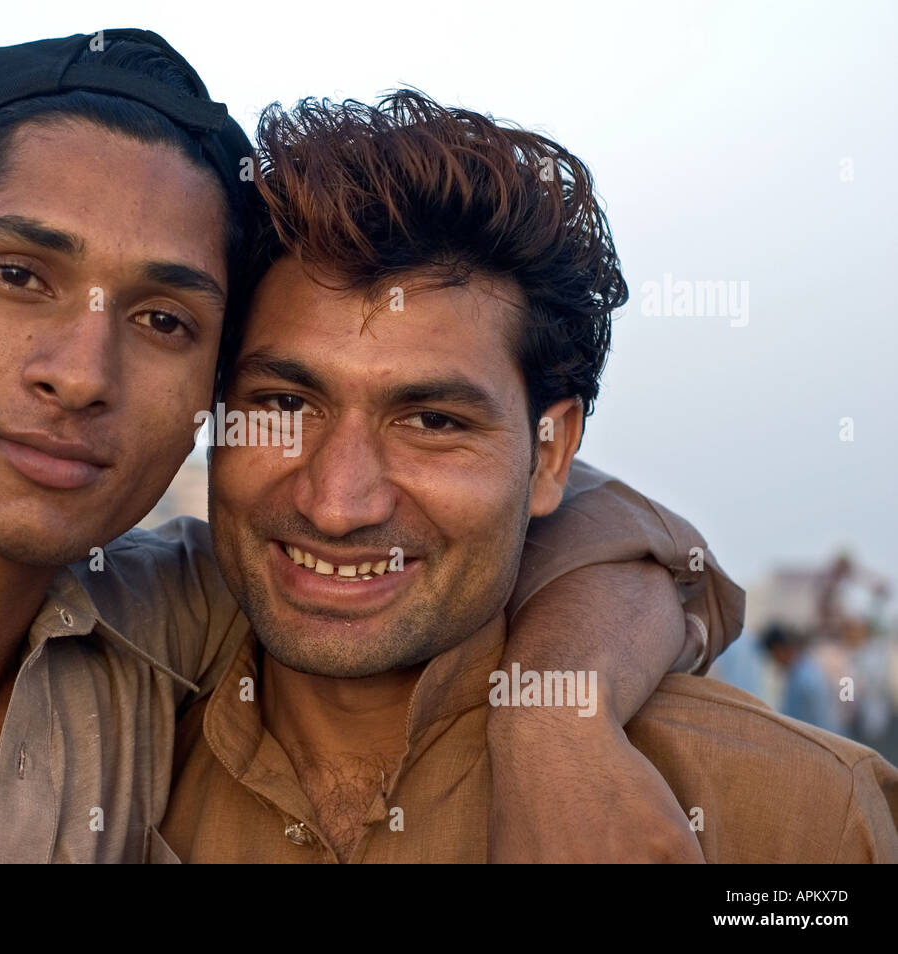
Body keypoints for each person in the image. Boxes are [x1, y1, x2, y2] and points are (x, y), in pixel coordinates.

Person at [0, 33, 739, 863]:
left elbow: (561, 521)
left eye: (162, 320)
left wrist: (554, 724)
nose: (80, 373)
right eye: (18, 276)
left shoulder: (171, 618)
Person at [158, 91, 898, 863]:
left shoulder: (791, 815)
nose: (339, 503)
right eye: (285, 404)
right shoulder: (119, 746)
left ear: (551, 455)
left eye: (434, 422)